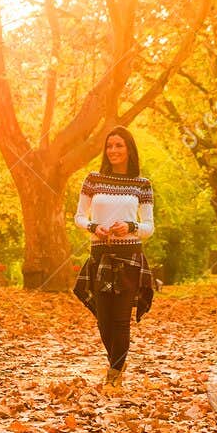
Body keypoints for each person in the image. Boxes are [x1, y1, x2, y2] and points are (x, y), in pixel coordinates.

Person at [73, 126, 155, 392]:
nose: (114, 151)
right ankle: (116, 362)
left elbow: (149, 226)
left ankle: (115, 373)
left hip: (128, 257)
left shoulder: (142, 185)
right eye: (110, 146)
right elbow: (79, 217)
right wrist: (94, 227)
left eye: (119, 145)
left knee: (120, 319)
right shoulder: (93, 180)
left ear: (129, 149)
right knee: (103, 319)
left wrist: (131, 227)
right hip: (99, 255)